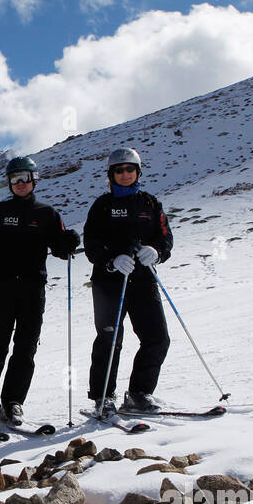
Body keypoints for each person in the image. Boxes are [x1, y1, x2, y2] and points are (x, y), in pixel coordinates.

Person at [0, 156, 79, 427]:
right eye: (15, 179)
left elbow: (58, 247)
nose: (20, 183)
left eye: (25, 178)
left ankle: (13, 402)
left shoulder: (47, 213)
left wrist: (68, 243)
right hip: (5, 287)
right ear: (9, 182)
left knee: (26, 346)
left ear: (34, 179)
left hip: (33, 289)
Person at [83, 148, 173, 415]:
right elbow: (91, 244)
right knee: (110, 339)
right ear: (111, 175)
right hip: (109, 283)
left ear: (138, 172)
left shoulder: (150, 203)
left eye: (129, 169)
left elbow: (165, 236)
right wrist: (111, 260)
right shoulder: (102, 206)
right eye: (119, 170)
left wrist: (157, 251)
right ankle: (103, 397)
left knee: (157, 337)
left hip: (144, 280)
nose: (125, 174)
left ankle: (139, 393)